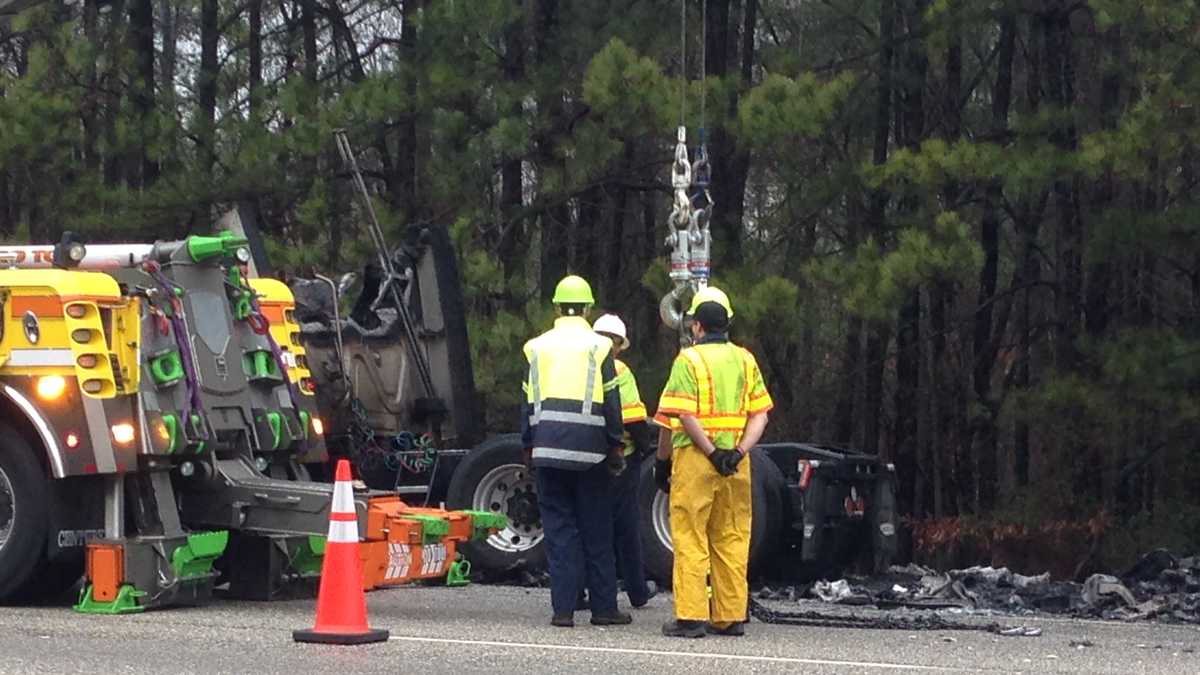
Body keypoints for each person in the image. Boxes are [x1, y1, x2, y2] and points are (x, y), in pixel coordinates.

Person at [653, 286, 773, 638]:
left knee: (691, 537)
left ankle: (691, 617)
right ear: (728, 323)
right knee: (732, 537)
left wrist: (705, 453)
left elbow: (683, 415)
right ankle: (730, 615)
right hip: (736, 465)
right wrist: (737, 452)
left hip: (696, 461)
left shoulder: (688, 361)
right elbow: (761, 415)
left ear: (697, 326)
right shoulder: (746, 360)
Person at [521, 275, 632, 628]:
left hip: (546, 449)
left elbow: (527, 402)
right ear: (587, 309)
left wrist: (528, 446)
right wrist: (615, 444)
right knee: (596, 530)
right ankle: (603, 609)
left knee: (559, 532)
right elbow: (612, 401)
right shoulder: (599, 347)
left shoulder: (536, 348)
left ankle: (563, 610)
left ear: (556, 307)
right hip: (591, 453)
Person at [592, 313, 657, 609]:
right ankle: (637, 590)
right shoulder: (619, 369)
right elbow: (631, 418)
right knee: (626, 526)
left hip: (587, 456)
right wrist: (646, 446)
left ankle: (587, 589)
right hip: (621, 457)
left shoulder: (579, 365)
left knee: (590, 525)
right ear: (617, 343)